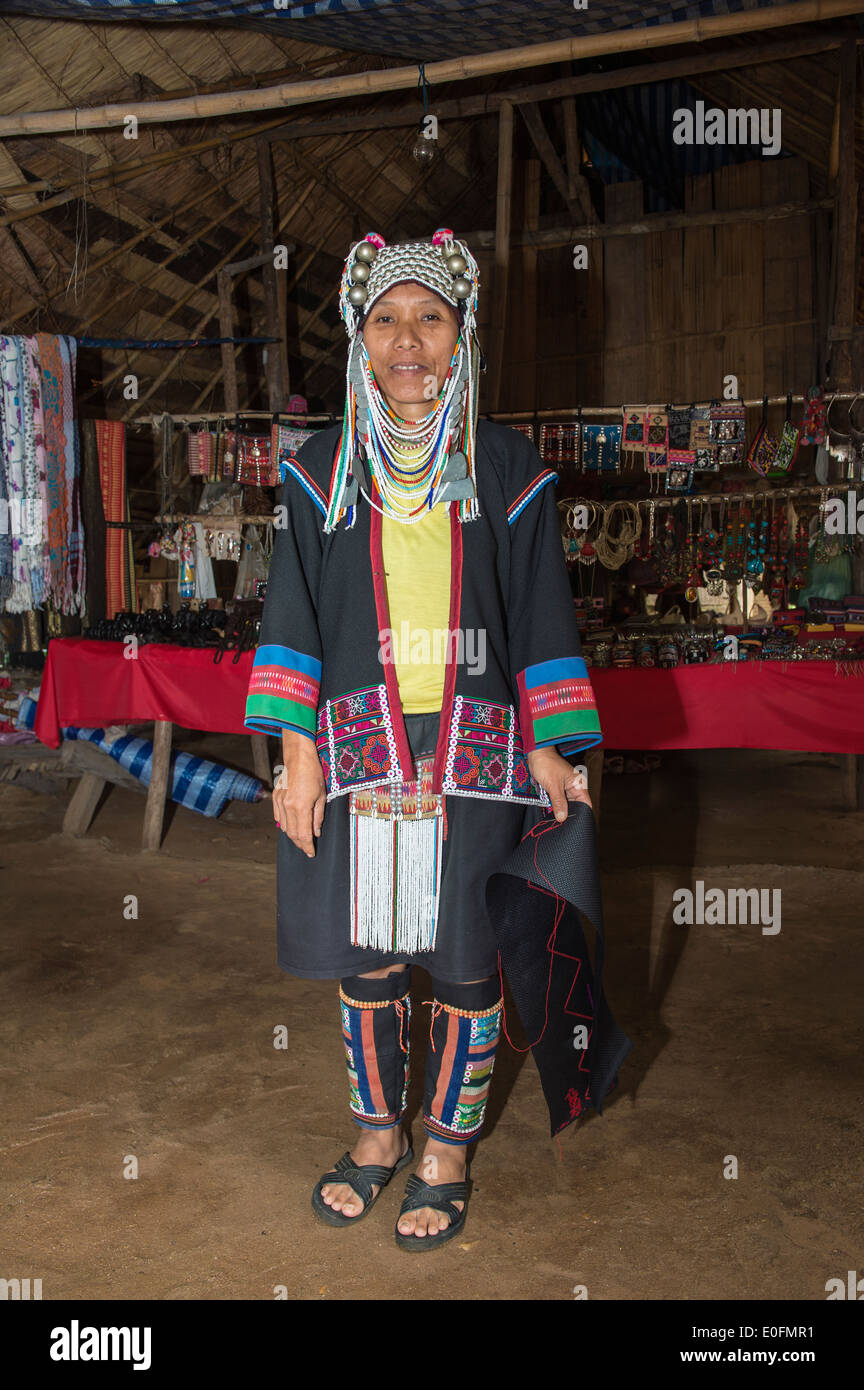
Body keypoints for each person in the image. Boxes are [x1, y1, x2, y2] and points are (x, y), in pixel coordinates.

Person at [245, 229, 602, 1251]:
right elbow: (295, 616)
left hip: (479, 747)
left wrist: (550, 745)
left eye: (430, 319)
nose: (409, 340)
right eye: (386, 319)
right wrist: (297, 756)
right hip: (356, 742)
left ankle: (444, 1147)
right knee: (365, 952)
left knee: (464, 956)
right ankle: (373, 1133)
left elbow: (538, 612)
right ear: (360, 340)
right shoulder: (319, 472)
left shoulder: (509, 470)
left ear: (462, 337)